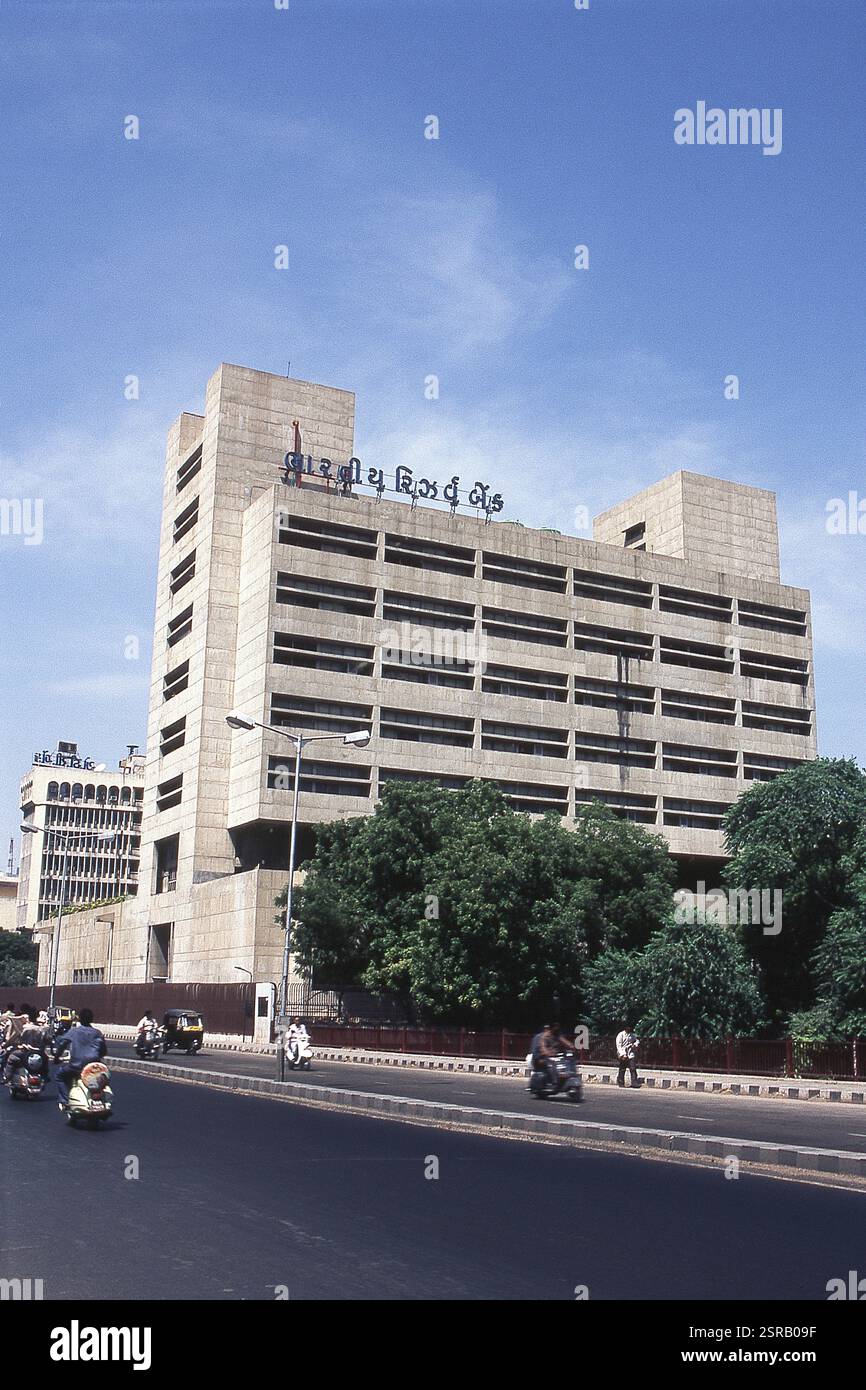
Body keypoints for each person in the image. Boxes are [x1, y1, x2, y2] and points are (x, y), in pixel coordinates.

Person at [55, 1007, 107, 1110]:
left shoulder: (74, 1031)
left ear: (79, 1019)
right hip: (94, 1068)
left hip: (75, 1066)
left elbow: (62, 1043)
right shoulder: (98, 1033)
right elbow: (103, 1051)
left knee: (59, 1076)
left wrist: (57, 1057)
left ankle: (66, 1101)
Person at [3, 1008, 49, 1086]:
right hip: (39, 1053)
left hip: (25, 1052)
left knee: (11, 1058)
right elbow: (48, 1040)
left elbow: (15, 1038)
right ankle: (45, 1077)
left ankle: (7, 1077)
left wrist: (8, 1044)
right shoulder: (43, 1029)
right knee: (45, 1060)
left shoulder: (23, 1028)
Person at [615, 1022, 640, 1088]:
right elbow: (619, 1045)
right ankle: (621, 1082)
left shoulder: (632, 1035)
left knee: (633, 1068)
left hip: (630, 1053)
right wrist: (623, 1054)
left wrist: (635, 1045)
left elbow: (637, 1041)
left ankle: (634, 1082)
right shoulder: (621, 1035)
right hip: (623, 1053)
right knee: (622, 1068)